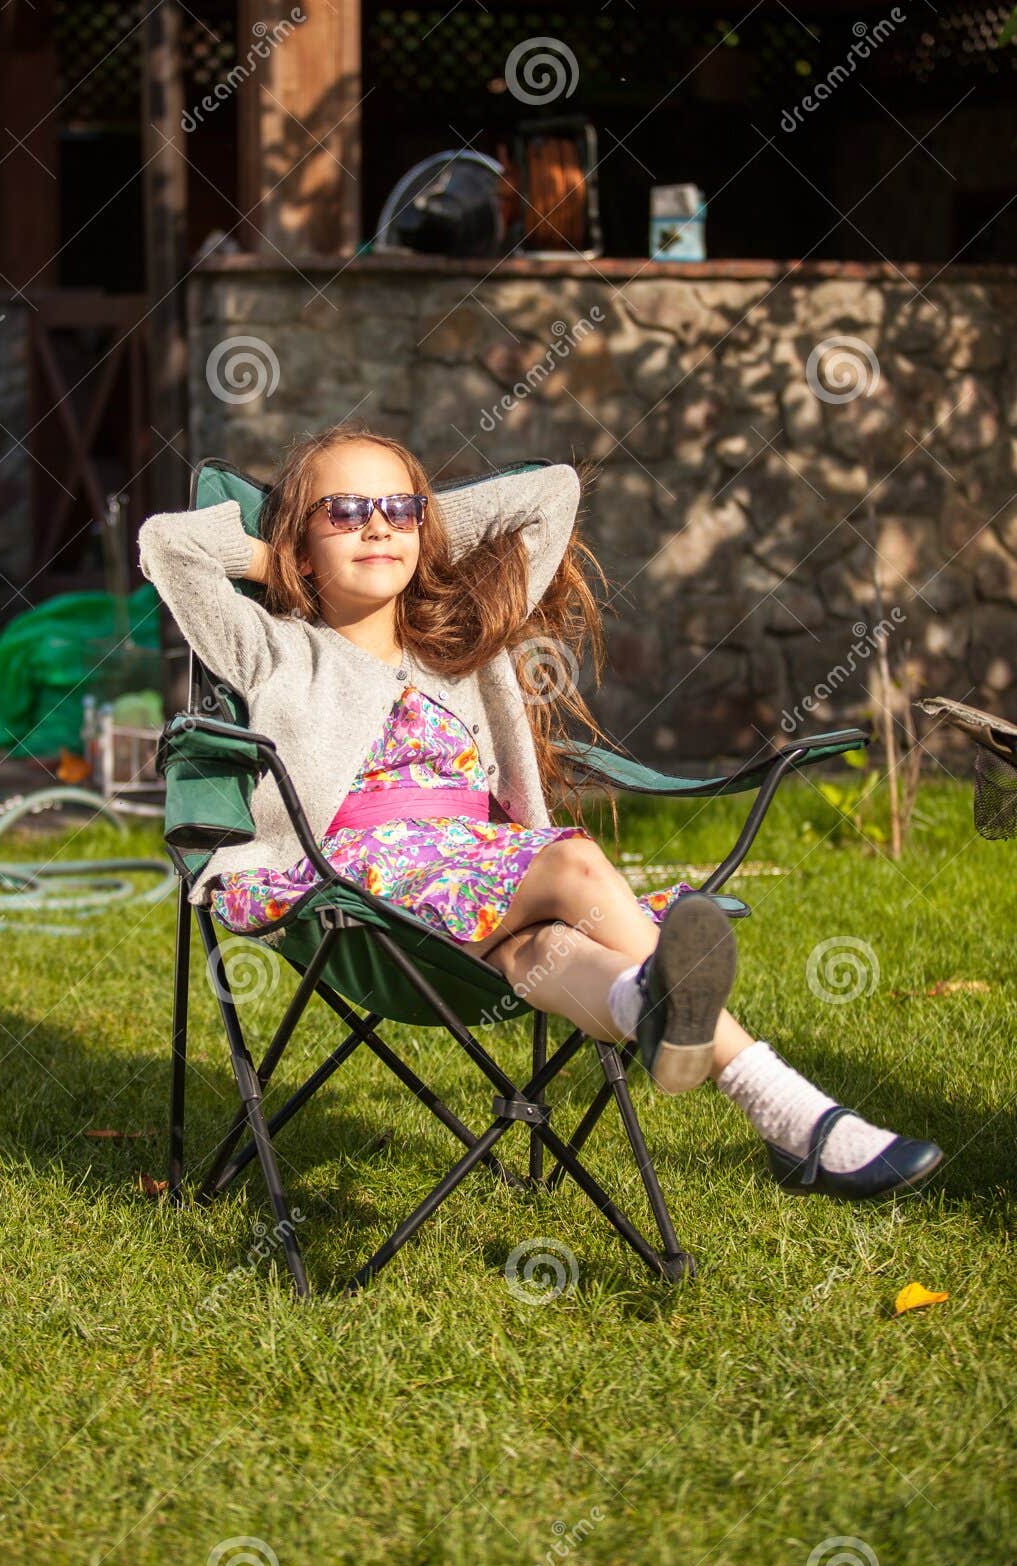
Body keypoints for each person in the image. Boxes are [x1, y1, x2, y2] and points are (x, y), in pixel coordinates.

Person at [138, 422, 942, 1200]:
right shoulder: (272, 646)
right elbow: (168, 545)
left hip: (478, 879)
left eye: (399, 509)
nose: (377, 527)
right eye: (344, 512)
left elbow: (552, 493)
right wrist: (277, 561)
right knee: (573, 861)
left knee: (543, 951)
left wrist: (424, 535)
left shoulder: (459, 639)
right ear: (300, 539)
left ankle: (662, 1018)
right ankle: (791, 1111)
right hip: (349, 882)